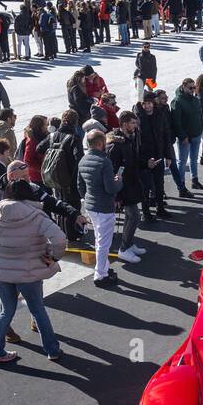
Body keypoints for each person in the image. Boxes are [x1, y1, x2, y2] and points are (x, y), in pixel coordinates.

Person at [0, 176, 68, 366]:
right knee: (37, 310)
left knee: (6, 311)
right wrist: (53, 257)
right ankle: (52, 350)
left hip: (2, 272)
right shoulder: (37, 216)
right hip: (29, 272)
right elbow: (60, 239)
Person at [78, 129, 122, 287]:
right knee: (104, 243)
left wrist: (87, 199)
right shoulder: (104, 162)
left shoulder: (83, 160)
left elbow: (80, 185)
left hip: (91, 206)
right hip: (104, 206)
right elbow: (111, 189)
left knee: (99, 239)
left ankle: (104, 267)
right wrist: (119, 181)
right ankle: (100, 275)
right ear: (100, 143)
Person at [106, 110, 145, 264]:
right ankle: (123, 249)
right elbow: (113, 171)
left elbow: (132, 161)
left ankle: (128, 244)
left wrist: (145, 164)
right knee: (134, 216)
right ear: (124, 124)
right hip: (123, 188)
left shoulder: (129, 139)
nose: (135, 126)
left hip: (131, 184)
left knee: (133, 216)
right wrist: (117, 196)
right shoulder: (116, 145)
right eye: (133, 123)